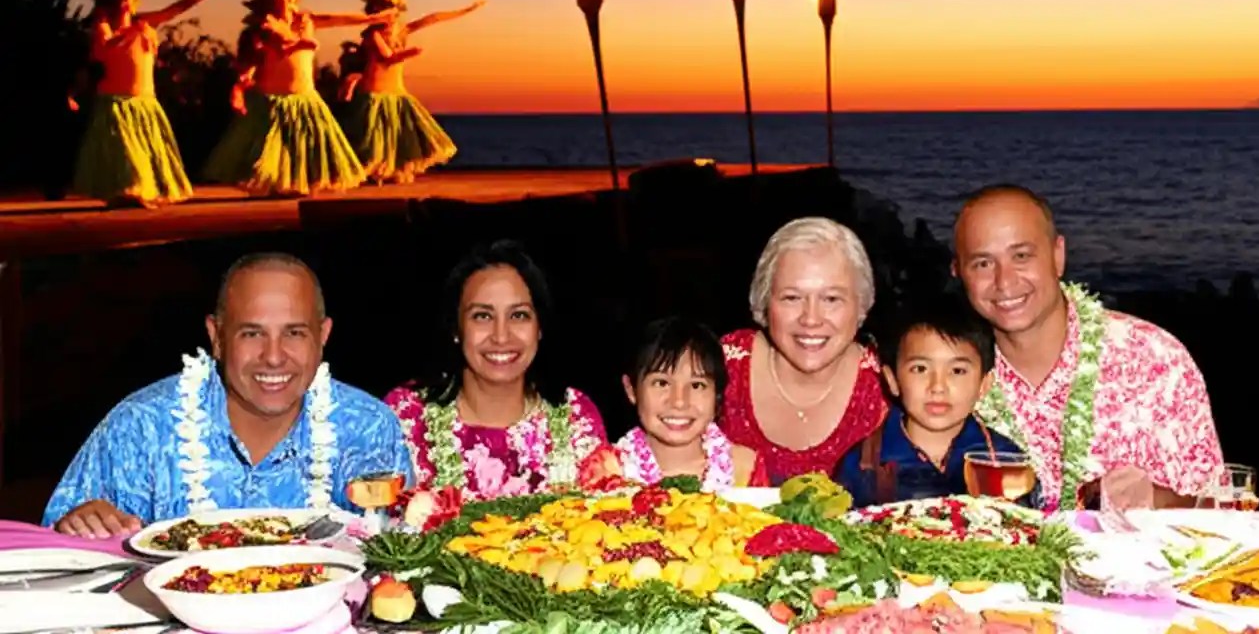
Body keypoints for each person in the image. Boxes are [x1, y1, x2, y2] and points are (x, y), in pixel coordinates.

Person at [43, 253, 413, 537]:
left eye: (294, 333)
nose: (273, 356)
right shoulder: (142, 426)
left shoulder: (366, 428)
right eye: (252, 333)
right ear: (216, 337)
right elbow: (55, 555)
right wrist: (78, 526)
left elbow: (402, 558)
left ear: (323, 336)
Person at [952, 184, 1225, 511]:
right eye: (983, 263)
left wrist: (1157, 500)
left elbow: (1220, 510)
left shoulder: (1153, 359)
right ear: (958, 272)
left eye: (1021, 256)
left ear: (1058, 255)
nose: (1004, 281)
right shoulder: (943, 375)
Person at [385, 240, 607, 501]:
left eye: (519, 315)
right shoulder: (407, 416)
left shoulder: (575, 416)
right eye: (482, 316)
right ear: (456, 328)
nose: (501, 337)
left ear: (540, 327)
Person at [718, 217, 888, 485]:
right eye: (792, 298)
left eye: (831, 299)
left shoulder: (888, 387)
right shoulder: (718, 368)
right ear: (765, 301)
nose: (811, 319)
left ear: (861, 305)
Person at [203, 0, 392, 196]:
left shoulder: (307, 19)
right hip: (273, 99)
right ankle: (278, 186)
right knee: (275, 149)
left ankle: (298, 184)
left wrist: (373, 19)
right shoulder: (266, 24)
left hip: (305, 97)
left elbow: (339, 19)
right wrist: (298, 44)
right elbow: (276, 47)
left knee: (307, 146)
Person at [835, 294, 1031, 506]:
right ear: (892, 380)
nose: (938, 387)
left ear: (984, 384)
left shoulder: (1004, 461)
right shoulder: (864, 463)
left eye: (957, 371)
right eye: (920, 369)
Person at [71, 0, 225, 208]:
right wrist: (132, 33)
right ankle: (127, 193)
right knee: (125, 150)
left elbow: (174, 10)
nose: (126, 0)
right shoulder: (104, 26)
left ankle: (134, 192)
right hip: (116, 101)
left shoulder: (141, 22)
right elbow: (104, 48)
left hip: (144, 100)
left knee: (143, 150)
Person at [341, 0, 485, 183]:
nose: (389, 15)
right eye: (382, 11)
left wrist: (466, 10)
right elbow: (387, 57)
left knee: (396, 134)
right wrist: (409, 53)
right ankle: (372, 171)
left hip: (396, 89)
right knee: (374, 136)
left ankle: (390, 171)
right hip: (375, 90)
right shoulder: (373, 34)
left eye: (392, 10)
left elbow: (433, 18)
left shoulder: (403, 30)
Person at [615, 316, 767, 490]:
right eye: (662, 383)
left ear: (717, 395)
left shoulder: (745, 469)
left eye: (696, 385)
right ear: (631, 390)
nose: (679, 402)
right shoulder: (605, 471)